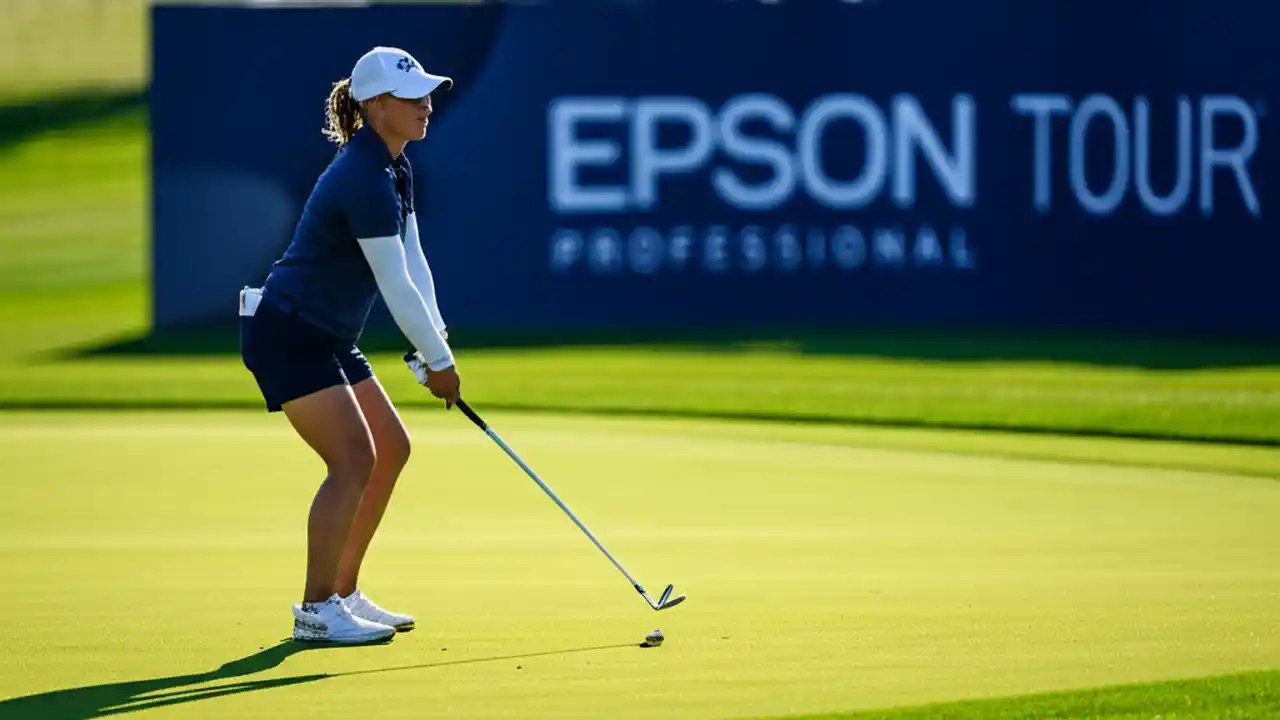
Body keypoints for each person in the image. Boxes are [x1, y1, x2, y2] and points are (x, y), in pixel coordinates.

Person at [238, 46, 461, 645]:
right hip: (290, 333)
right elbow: (392, 283)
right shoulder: (361, 176)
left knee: (390, 447)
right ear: (377, 105)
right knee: (354, 460)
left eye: (428, 96)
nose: (426, 107)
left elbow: (415, 262)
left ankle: (343, 591)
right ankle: (315, 610)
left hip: (328, 334)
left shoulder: (395, 165)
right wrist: (437, 365)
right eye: (413, 99)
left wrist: (434, 343)